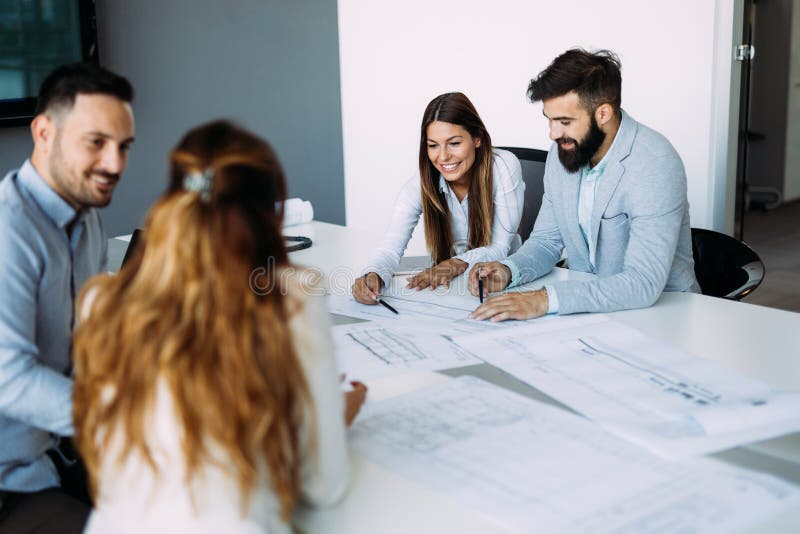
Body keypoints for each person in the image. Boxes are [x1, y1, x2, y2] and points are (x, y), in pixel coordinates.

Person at [72, 120, 368, 532]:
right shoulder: (293, 297)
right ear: (272, 214)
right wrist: (331, 414)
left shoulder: (99, 301)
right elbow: (324, 486)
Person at [0, 63, 135, 532]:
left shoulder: (86, 214)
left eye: (123, 147)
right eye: (96, 142)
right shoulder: (8, 230)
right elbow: (10, 379)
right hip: (15, 482)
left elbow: (93, 331)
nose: (114, 164)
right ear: (43, 132)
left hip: (71, 453)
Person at [469, 49, 699, 321]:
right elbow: (546, 242)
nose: (553, 134)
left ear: (603, 113)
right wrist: (509, 271)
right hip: (588, 312)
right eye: (550, 119)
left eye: (565, 121)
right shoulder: (563, 152)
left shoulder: (655, 163)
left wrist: (545, 299)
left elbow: (643, 282)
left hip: (662, 315)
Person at [352, 92, 524, 304]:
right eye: (433, 145)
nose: (442, 157)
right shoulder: (422, 182)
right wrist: (373, 273)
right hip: (450, 289)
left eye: (454, 143)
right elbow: (391, 245)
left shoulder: (504, 167)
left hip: (503, 285)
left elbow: (499, 247)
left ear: (477, 138)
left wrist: (455, 264)